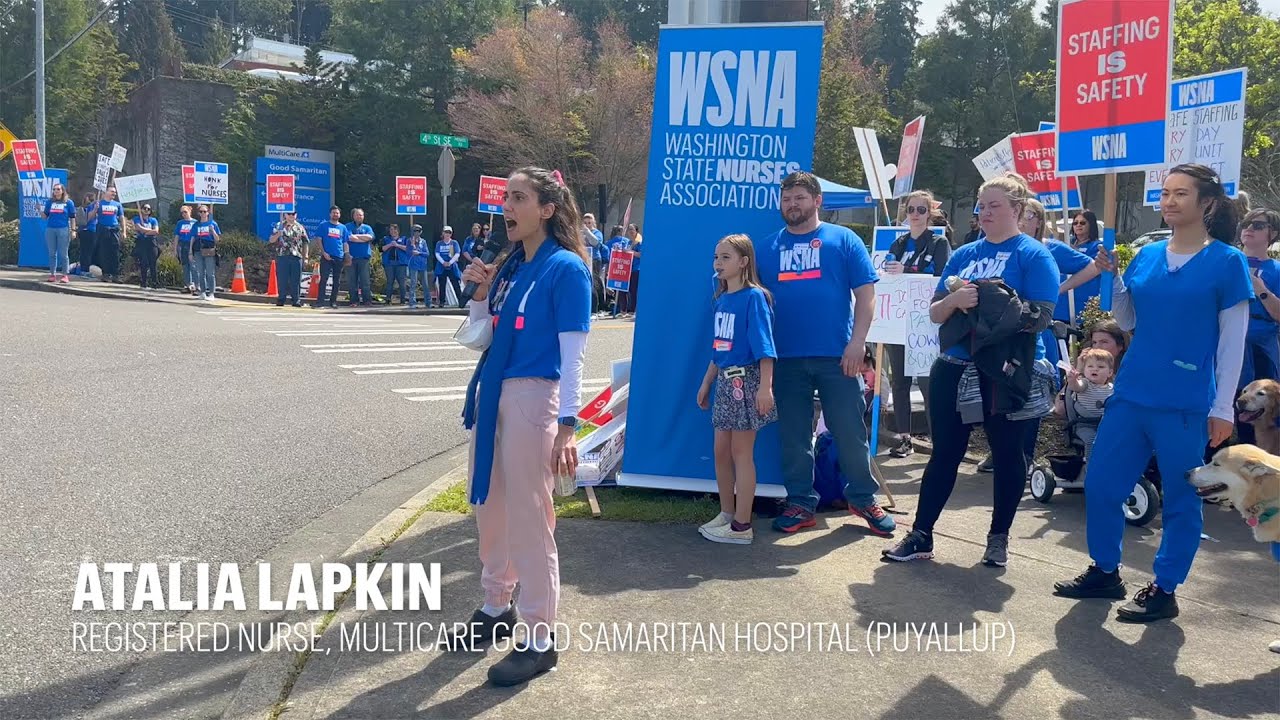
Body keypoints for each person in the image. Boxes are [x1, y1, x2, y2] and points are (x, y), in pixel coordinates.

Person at [1054, 164, 1252, 622]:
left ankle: (1165, 587)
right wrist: (1114, 278)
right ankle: (1105, 570)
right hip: (1132, 393)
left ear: (1207, 203)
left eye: (1181, 194)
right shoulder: (1146, 256)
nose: (1169, 201)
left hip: (1184, 402)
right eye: (1165, 193)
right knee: (1102, 484)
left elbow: (1232, 340)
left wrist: (1223, 407)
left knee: (1182, 499)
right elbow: (1126, 321)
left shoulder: (1226, 261)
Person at [450, 166, 592, 687]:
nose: (506, 207)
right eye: (506, 198)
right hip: (494, 392)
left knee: (532, 520)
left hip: (535, 397)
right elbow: (481, 335)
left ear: (547, 210)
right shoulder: (510, 267)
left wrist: (568, 426)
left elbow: (574, 357)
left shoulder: (566, 269)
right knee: (488, 503)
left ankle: (539, 636)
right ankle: (496, 604)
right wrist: (482, 291)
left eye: (519, 198)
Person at [882, 173, 1059, 567]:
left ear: (1017, 209)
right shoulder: (964, 254)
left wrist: (995, 304)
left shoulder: (1032, 254)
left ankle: (998, 538)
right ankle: (921, 534)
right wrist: (958, 299)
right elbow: (934, 312)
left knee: (1008, 453)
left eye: (994, 206)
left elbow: (1043, 317)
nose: (985, 213)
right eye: (981, 206)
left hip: (1002, 369)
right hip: (954, 365)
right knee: (945, 452)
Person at [754, 171, 894, 536]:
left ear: (817, 201)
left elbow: (866, 297)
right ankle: (800, 502)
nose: (792, 205)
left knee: (849, 432)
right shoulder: (767, 249)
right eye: (786, 199)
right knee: (794, 436)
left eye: (799, 197)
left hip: (839, 356)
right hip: (786, 359)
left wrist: (858, 342)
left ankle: (862, 497)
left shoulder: (844, 240)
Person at [695, 234, 778, 545]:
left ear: (744, 261)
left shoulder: (755, 298)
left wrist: (765, 388)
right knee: (721, 451)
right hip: (725, 383)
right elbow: (720, 349)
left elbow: (765, 347)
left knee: (742, 453)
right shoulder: (721, 300)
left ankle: (743, 526)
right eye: (717, 257)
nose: (718, 263)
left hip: (748, 382)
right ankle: (727, 513)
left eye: (726, 257)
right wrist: (707, 382)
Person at [883, 189, 952, 458]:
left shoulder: (938, 243)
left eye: (921, 210)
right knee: (899, 382)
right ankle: (904, 438)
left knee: (927, 384)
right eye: (911, 210)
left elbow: (941, 274)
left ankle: (939, 441)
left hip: (924, 324)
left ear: (930, 213)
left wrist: (908, 270)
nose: (915, 215)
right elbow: (888, 274)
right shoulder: (898, 244)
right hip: (899, 322)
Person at [1236, 208, 1280, 444]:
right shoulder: (1227, 261)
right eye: (1245, 224)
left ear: (1271, 234)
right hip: (1225, 343)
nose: (1249, 228)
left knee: (1258, 416)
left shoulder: (1277, 269)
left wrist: (1260, 289)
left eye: (1258, 225)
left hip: (1260, 347)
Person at [1055, 348, 1115, 461]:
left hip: (1105, 424)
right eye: (1090, 366)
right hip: (1085, 425)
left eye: (1100, 367)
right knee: (1091, 440)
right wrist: (1072, 380)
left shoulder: (1112, 388)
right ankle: (1091, 465)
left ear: (1110, 372)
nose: (1095, 369)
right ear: (1084, 369)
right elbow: (1076, 386)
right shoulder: (1085, 384)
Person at [269, 211, 309, 307]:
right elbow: (271, 240)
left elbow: (305, 242)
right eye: (289, 214)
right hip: (283, 255)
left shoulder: (300, 227)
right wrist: (278, 234)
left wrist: (306, 256)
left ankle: (296, 300)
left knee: (296, 280)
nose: (291, 216)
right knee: (282, 279)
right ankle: (281, 299)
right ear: (285, 215)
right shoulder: (279, 225)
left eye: (293, 214)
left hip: (297, 256)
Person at [314, 206, 349, 309]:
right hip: (327, 256)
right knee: (324, 279)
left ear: (339, 215)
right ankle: (320, 301)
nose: (335, 215)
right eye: (334, 213)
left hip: (339, 256)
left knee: (336, 280)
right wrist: (324, 252)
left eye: (337, 213)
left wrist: (346, 254)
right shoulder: (324, 225)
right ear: (330, 214)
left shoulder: (343, 227)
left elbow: (345, 242)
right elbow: (319, 239)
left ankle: (333, 301)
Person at [90, 186, 127, 284]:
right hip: (102, 229)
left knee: (115, 253)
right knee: (103, 252)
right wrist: (95, 209)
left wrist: (124, 231)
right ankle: (105, 274)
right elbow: (89, 217)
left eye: (115, 192)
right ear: (105, 192)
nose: (114, 193)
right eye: (112, 191)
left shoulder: (117, 205)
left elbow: (122, 218)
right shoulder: (98, 203)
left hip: (114, 230)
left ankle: (116, 275)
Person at [41, 183, 75, 283]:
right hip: (50, 229)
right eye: (54, 189)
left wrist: (73, 231)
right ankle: (52, 274)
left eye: (58, 189)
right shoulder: (49, 202)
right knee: (52, 253)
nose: (56, 191)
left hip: (63, 229)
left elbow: (73, 217)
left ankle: (65, 275)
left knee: (63, 254)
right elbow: (45, 217)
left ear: (63, 191)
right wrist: (39, 210)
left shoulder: (68, 203)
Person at [345, 208, 375, 306]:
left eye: (361, 215)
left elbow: (370, 237)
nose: (359, 217)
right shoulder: (347, 226)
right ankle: (354, 301)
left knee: (365, 281)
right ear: (353, 216)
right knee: (352, 281)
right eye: (357, 215)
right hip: (351, 257)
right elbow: (349, 237)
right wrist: (363, 238)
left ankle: (367, 301)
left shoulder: (367, 227)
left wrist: (356, 237)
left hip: (364, 258)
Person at [191, 205, 221, 302]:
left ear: (208, 212)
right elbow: (192, 238)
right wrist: (190, 251)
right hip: (198, 250)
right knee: (200, 272)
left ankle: (211, 292)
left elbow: (217, 239)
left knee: (210, 273)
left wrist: (212, 231)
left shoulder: (213, 224)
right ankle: (203, 292)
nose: (203, 213)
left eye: (204, 211)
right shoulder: (196, 225)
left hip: (209, 250)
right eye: (201, 211)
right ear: (199, 213)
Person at [132, 204, 161, 290]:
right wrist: (149, 230)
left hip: (152, 242)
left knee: (153, 263)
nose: (146, 210)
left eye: (148, 209)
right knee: (143, 262)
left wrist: (144, 231)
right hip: (142, 242)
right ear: (141, 209)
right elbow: (138, 227)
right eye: (144, 208)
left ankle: (154, 283)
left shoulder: (153, 220)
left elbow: (156, 231)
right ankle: (143, 282)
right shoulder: (137, 218)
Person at [380, 223, 410, 305]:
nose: (393, 231)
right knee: (390, 281)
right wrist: (390, 245)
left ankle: (403, 300)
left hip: (401, 264)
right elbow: (381, 249)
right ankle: (388, 300)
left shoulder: (404, 239)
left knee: (402, 282)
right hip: (389, 264)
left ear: (398, 231)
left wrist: (397, 245)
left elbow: (408, 249)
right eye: (391, 230)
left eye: (395, 230)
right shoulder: (385, 239)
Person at [434, 226, 463, 307]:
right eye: (446, 232)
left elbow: (457, 253)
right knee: (442, 284)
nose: (447, 234)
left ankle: (461, 301)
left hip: (452, 266)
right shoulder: (439, 243)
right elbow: (437, 253)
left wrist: (450, 262)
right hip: (441, 267)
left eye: (449, 232)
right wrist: (443, 262)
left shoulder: (454, 243)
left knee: (455, 284)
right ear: (443, 233)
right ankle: (442, 302)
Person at [173, 205, 198, 294]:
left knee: (193, 266)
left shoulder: (195, 222)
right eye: (182, 212)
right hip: (182, 245)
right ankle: (188, 285)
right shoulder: (180, 223)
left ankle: (196, 285)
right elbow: (176, 236)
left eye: (185, 212)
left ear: (190, 211)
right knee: (185, 266)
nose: (183, 214)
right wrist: (175, 249)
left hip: (192, 245)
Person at [621, 223, 644, 316]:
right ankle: (625, 309)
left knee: (634, 290)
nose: (630, 231)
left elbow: (641, 255)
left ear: (636, 231)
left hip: (636, 269)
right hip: (627, 269)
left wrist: (631, 252)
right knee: (627, 289)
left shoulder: (640, 242)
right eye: (629, 229)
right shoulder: (628, 242)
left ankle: (633, 309)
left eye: (632, 229)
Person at [407, 225, 430, 310]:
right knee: (413, 283)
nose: (416, 233)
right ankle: (412, 302)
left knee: (425, 284)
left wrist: (419, 253)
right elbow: (408, 252)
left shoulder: (423, 242)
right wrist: (413, 245)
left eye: (418, 231)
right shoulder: (409, 241)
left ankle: (428, 302)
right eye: (415, 231)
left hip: (422, 265)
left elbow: (427, 254)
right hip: (413, 265)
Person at [76, 191, 97, 277]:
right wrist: (95, 209)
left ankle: (83, 269)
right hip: (89, 230)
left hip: (83, 231)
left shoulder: (83, 207)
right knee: (87, 251)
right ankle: (85, 270)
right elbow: (88, 218)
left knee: (84, 251)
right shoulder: (92, 206)